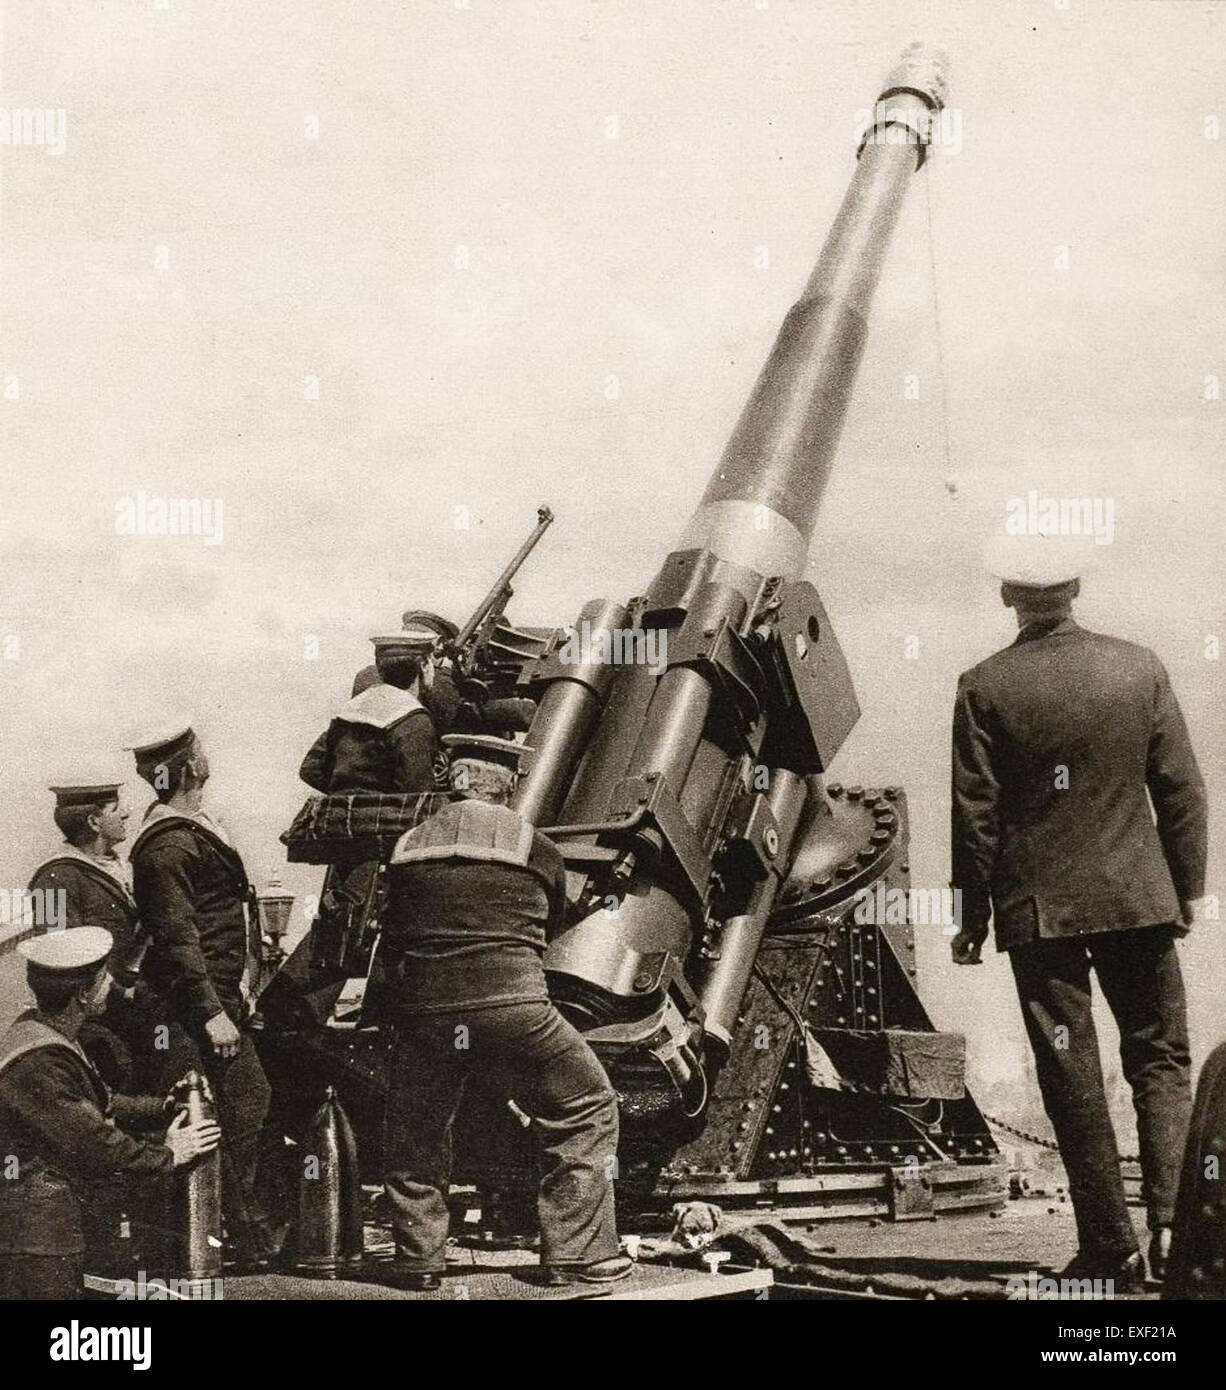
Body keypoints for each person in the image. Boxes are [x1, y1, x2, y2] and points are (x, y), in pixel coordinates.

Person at [950, 532, 1207, 1288]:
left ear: (1007, 596)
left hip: (1041, 917)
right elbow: (1182, 791)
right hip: (1139, 902)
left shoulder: (984, 685)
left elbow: (976, 818)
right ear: (1077, 588)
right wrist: (1184, 891)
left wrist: (973, 917)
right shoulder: (1139, 668)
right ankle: (1176, 1233)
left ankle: (1111, 1251)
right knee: (1160, 1060)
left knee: (1072, 1076)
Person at [379, 733, 629, 1289]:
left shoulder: (406, 846)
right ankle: (575, 1253)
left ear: (455, 780)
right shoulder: (531, 844)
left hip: (427, 1011)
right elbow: (552, 918)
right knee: (587, 1105)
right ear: (507, 786)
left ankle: (419, 1261)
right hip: (514, 1007)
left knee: (416, 1133)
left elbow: (395, 930)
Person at [126, 723, 281, 1267]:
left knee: (242, 1106)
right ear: (190, 768)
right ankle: (225, 1240)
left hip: (215, 999)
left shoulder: (192, 829)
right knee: (214, 1112)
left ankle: (228, 1235)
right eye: (202, 752)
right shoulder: (167, 844)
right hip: (190, 1009)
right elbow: (176, 937)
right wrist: (213, 1013)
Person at [0, 928, 219, 1299]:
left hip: (46, 1227)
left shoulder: (42, 1033)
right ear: (83, 994)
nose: (113, 984)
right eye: (104, 978)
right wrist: (169, 1154)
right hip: (39, 1236)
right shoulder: (40, 1060)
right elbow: (93, 1141)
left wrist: (165, 1105)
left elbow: (105, 1103)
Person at [26, 783, 151, 1089]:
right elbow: (57, 962)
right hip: (101, 1030)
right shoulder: (53, 878)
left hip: (141, 1017)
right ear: (94, 822)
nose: (127, 812)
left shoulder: (123, 867)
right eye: (115, 807)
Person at [298, 626, 444, 795]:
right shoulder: (414, 718)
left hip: (340, 813)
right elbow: (417, 791)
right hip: (387, 819)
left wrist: (346, 796)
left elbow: (310, 769)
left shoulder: (352, 710)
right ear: (424, 665)